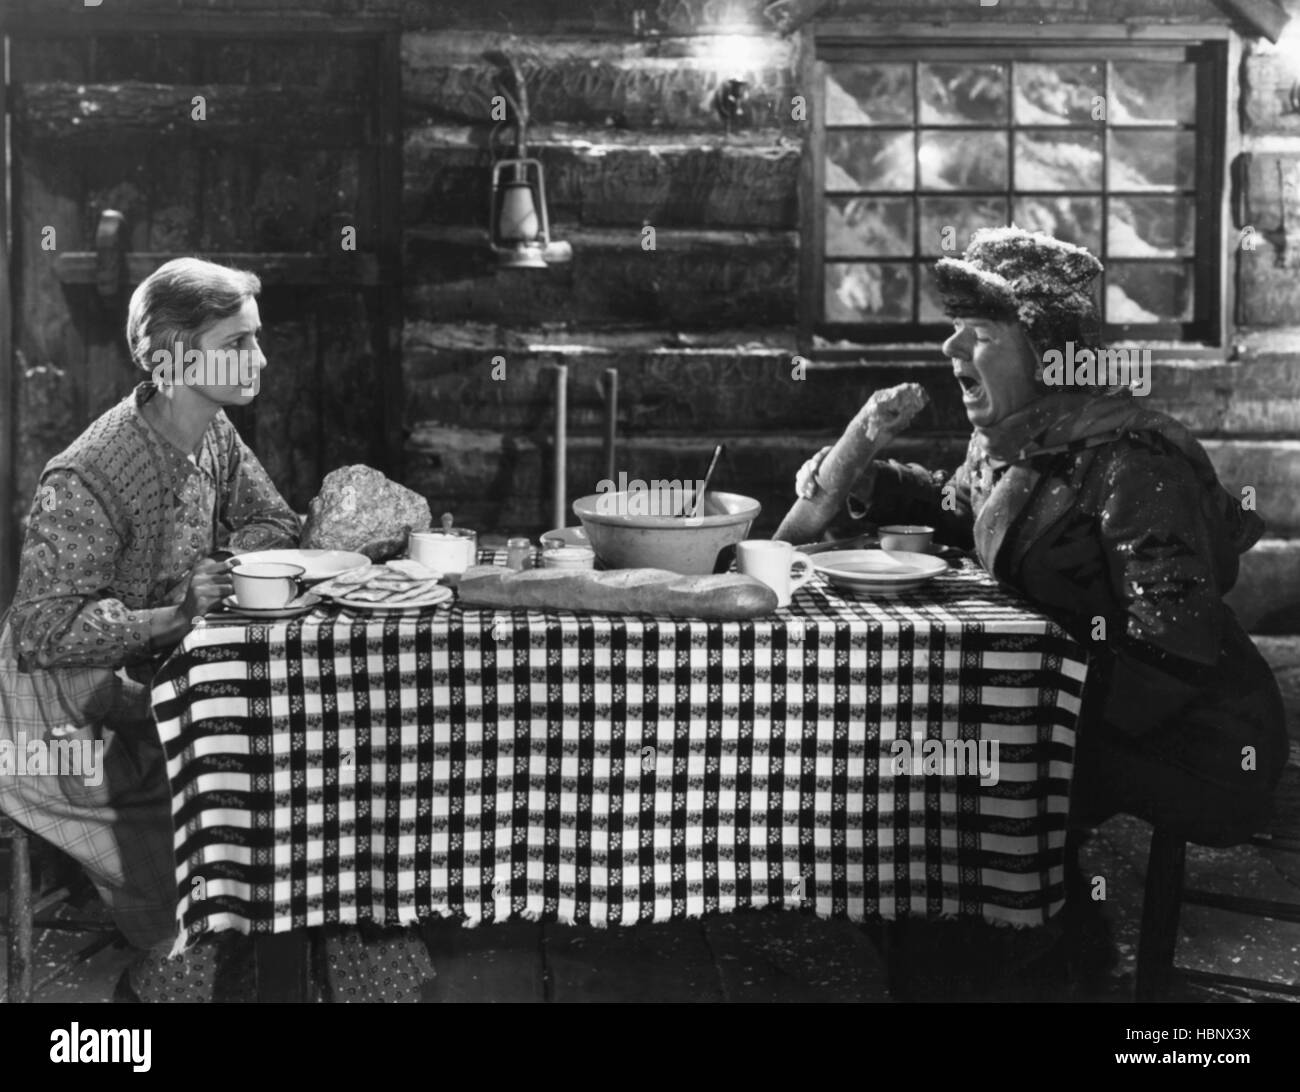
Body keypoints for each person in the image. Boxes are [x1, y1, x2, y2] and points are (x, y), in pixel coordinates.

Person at [790, 228, 1287, 993]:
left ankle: (1023, 966)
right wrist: (864, 476)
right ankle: (1015, 962)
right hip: (1083, 705)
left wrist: (1031, 719)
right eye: (957, 327)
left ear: (1049, 353)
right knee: (902, 774)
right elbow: (964, 513)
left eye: (982, 334)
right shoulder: (1018, 441)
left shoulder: (1130, 458)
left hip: (1196, 735)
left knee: (956, 789)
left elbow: (1174, 649)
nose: (953, 347)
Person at [0, 257, 299, 984]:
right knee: (219, 819)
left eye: (256, 339)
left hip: (144, 688)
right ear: (171, 357)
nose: (258, 359)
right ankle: (165, 985)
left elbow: (273, 520)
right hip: (58, 721)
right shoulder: (88, 473)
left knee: (270, 788)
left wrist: (229, 567)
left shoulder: (213, 432)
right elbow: (43, 630)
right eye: (238, 344)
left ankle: (237, 973)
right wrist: (171, 614)